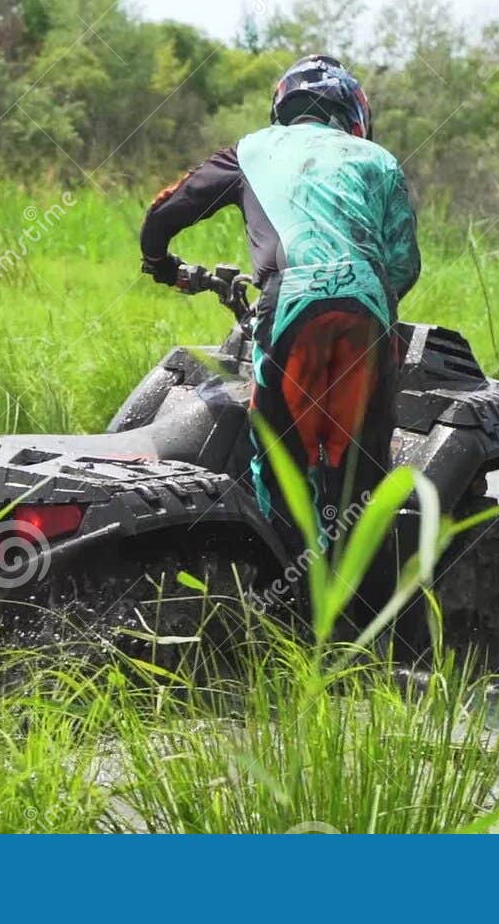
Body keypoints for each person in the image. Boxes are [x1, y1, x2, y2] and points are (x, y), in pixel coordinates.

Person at [139, 54, 421, 609]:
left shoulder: (251, 148)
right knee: (359, 477)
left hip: (289, 306)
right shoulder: (380, 160)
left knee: (281, 468)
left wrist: (160, 261)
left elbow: (168, 212)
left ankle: (286, 621)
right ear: (354, 114)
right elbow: (404, 264)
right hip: (367, 312)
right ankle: (366, 637)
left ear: (282, 106)